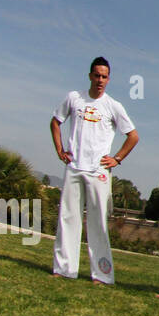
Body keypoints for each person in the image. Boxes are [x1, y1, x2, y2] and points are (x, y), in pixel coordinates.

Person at [49, 56, 139, 284]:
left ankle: (102, 274)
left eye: (105, 77)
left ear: (109, 79)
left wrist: (117, 159)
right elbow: (55, 122)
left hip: (98, 171)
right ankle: (64, 268)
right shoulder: (74, 98)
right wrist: (61, 150)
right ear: (90, 75)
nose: (100, 80)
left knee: (98, 223)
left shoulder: (113, 106)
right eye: (97, 75)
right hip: (74, 167)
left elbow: (133, 136)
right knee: (68, 218)